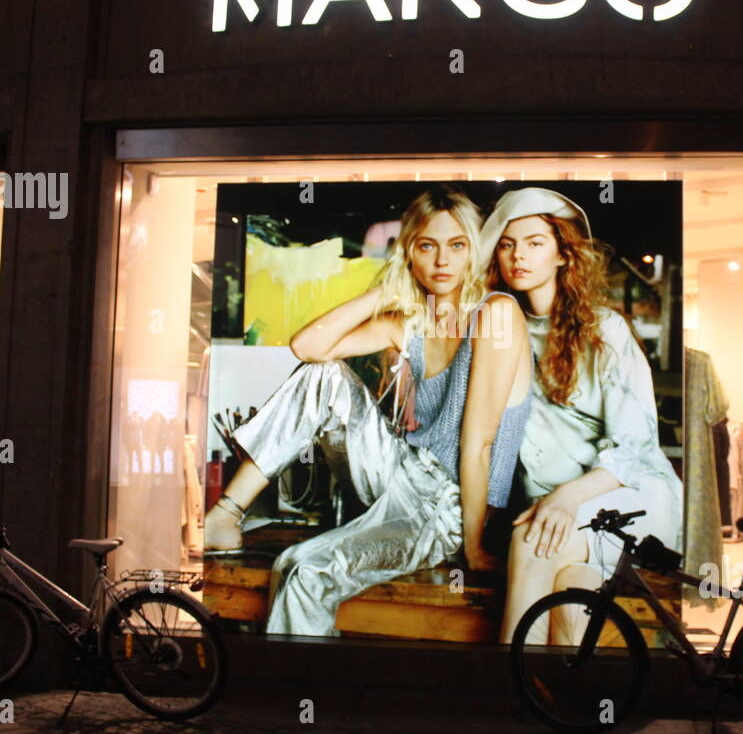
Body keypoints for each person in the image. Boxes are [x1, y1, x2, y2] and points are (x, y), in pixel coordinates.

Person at [202, 186, 532, 636]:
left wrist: (472, 547)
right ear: (408, 253)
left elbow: (479, 445)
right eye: (426, 246)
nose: (442, 262)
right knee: (326, 375)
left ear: (473, 251)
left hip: (447, 508)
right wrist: (384, 292)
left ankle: (301, 698)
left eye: (456, 246)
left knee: (299, 568)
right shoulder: (410, 322)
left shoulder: (496, 314)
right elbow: (308, 348)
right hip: (398, 471)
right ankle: (226, 514)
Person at [481, 188, 684, 644]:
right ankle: (555, 704)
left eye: (535, 243)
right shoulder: (497, 327)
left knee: (533, 541)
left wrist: (567, 497)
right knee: (567, 600)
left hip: (630, 496)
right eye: (508, 244)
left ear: (561, 255)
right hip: (554, 505)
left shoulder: (604, 328)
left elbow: (635, 448)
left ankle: (503, 686)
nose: (519, 256)